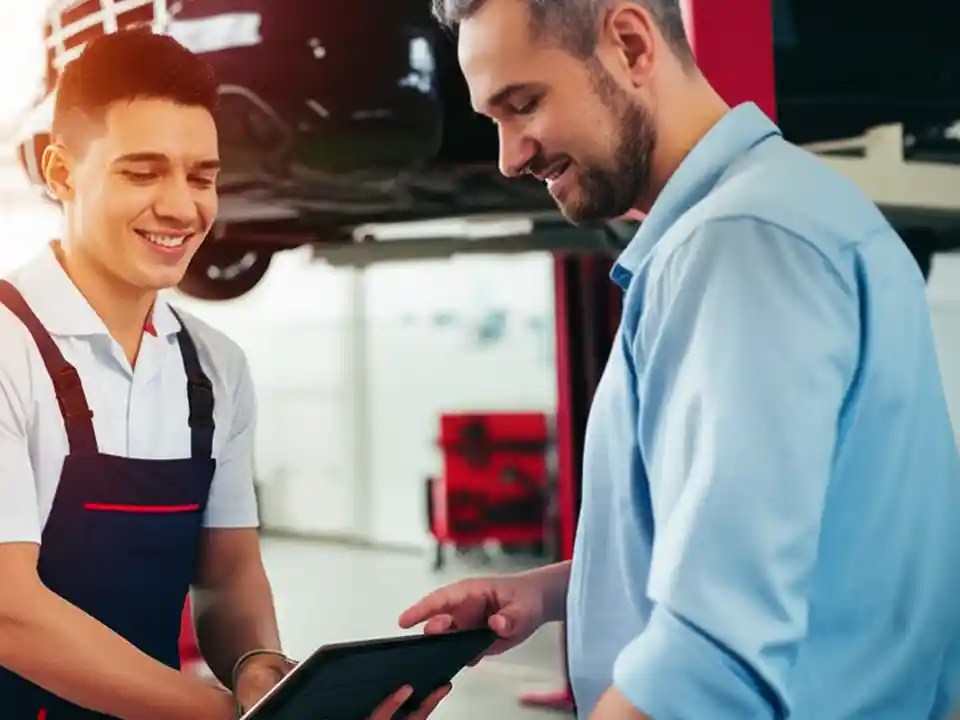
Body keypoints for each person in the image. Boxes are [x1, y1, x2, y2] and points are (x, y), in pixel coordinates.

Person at [400, 0, 960, 718]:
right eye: (494, 120)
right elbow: (788, 544)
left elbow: (714, 647)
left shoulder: (739, 244)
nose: (510, 156)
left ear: (631, 46)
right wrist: (549, 593)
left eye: (525, 104)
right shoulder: (794, 207)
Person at [0, 29, 448, 720]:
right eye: (142, 172)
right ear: (62, 173)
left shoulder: (213, 368)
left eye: (202, 176)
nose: (182, 207)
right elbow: (2, 616)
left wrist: (262, 675)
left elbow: (228, 573)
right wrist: (230, 718)